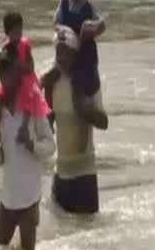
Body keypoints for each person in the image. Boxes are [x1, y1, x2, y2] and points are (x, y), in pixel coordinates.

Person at [0, 49, 55, 250]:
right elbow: (3, 160)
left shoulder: (33, 106)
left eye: (10, 74)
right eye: (2, 74)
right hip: (8, 198)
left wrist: (31, 144)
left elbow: (51, 147)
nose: (6, 80)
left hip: (29, 199)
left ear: (18, 74)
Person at [43, 26, 108, 214]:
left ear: (75, 53)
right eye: (58, 51)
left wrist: (82, 108)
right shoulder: (53, 83)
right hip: (60, 173)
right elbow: (48, 125)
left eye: (66, 52)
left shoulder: (87, 84)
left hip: (84, 176)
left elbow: (104, 122)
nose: (62, 57)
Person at [43, 0, 105, 102]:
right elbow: (56, 22)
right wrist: (59, 30)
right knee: (50, 78)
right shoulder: (64, 3)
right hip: (66, 48)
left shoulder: (89, 7)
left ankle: (88, 107)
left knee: (85, 75)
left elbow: (100, 24)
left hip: (83, 49)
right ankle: (49, 111)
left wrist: (93, 27)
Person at [0, 11, 50, 141]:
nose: (18, 33)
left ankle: (24, 127)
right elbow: (3, 68)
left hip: (26, 78)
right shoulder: (5, 48)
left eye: (20, 29)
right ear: (7, 32)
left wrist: (20, 66)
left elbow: (31, 67)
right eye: (14, 31)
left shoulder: (25, 44)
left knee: (29, 98)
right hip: (12, 79)